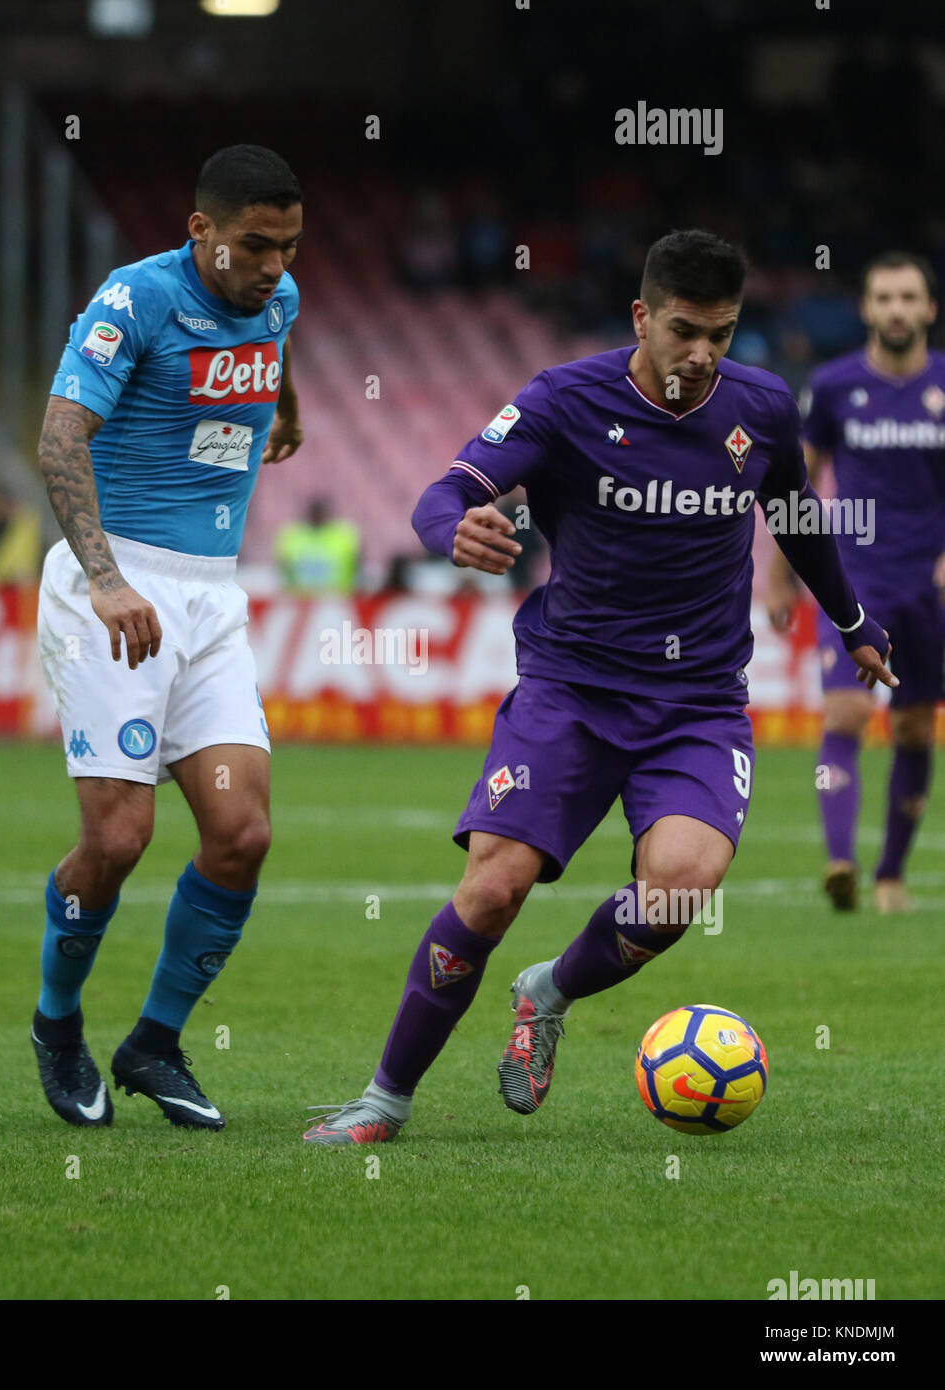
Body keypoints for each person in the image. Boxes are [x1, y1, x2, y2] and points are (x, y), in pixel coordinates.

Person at [304, 229, 894, 1145]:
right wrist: (452, 532)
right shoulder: (564, 400)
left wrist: (852, 626)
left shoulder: (765, 408)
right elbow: (445, 490)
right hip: (571, 688)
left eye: (723, 335)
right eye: (684, 331)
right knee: (494, 889)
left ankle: (549, 991)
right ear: (641, 318)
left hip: (697, 701)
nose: (702, 356)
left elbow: (798, 517)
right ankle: (385, 1099)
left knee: (680, 888)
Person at [33, 145, 304, 1130]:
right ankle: (57, 1026)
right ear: (201, 232)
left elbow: (274, 352)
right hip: (115, 586)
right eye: (253, 245)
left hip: (210, 597)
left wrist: (288, 414)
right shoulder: (132, 300)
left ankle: (151, 1041)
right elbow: (59, 438)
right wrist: (105, 580)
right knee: (118, 837)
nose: (272, 266)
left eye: (286, 246)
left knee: (241, 834)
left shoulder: (277, 297)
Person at [767, 252, 945, 913]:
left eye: (908, 298)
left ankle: (892, 874)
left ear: (928, 309)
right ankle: (840, 861)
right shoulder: (836, 385)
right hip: (855, 576)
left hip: (929, 584)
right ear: (867, 309)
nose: (896, 309)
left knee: (915, 730)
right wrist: (781, 574)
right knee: (844, 713)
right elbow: (797, 481)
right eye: (884, 298)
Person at [274, 497, 361, 593]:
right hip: (301, 602)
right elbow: (283, 568)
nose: (318, 516)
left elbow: (357, 566)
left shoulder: (345, 535)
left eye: (320, 513)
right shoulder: (291, 536)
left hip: (337, 601)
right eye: (316, 513)